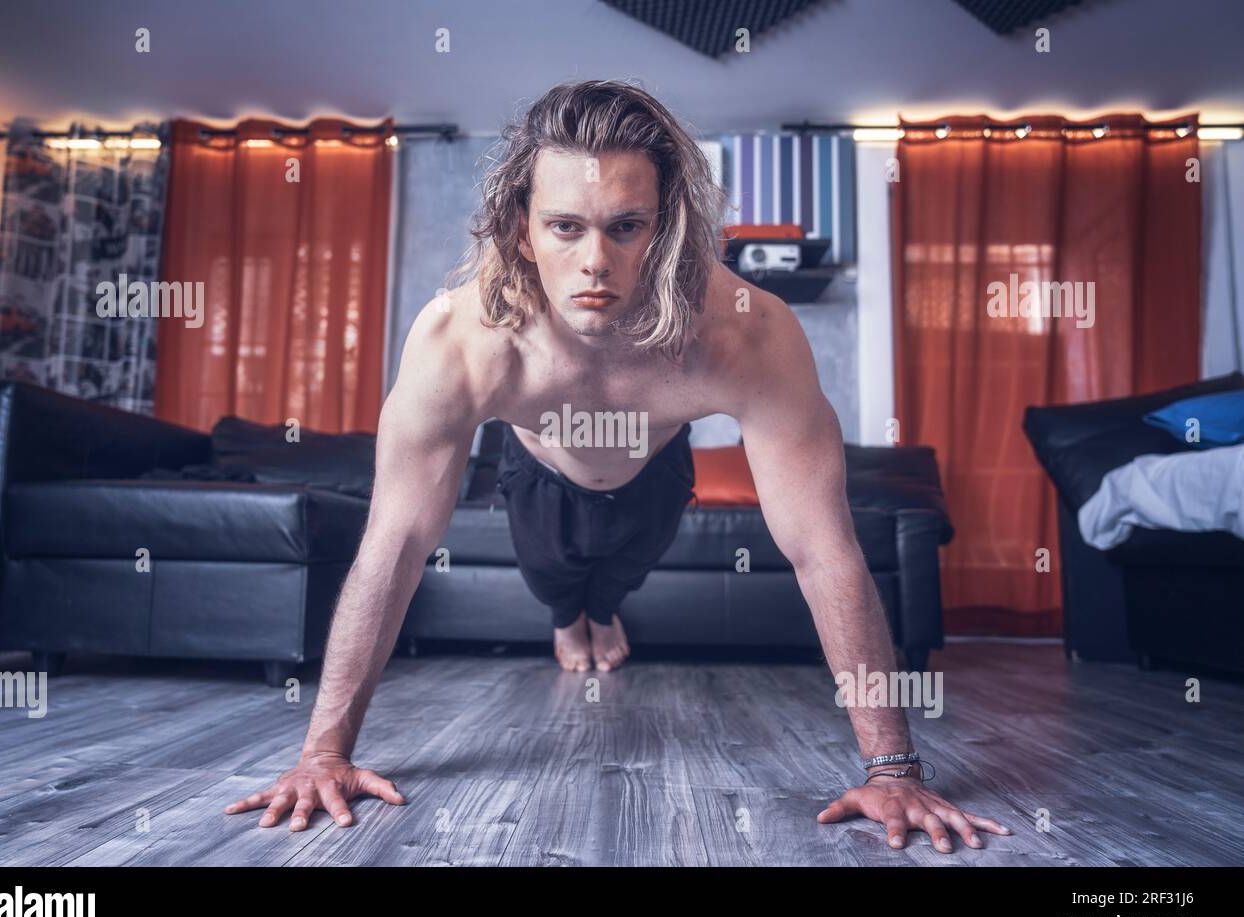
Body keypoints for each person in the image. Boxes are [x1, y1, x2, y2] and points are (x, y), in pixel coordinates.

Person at [226, 80, 1011, 853]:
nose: (594, 261)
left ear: (666, 226)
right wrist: (323, 754)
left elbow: (824, 549)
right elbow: (393, 547)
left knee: (623, 574)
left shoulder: (746, 334)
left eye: (626, 226)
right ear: (521, 228)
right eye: (565, 226)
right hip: (536, 472)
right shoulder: (460, 342)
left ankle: (602, 614)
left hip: (656, 471)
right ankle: (574, 621)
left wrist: (893, 767)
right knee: (555, 581)